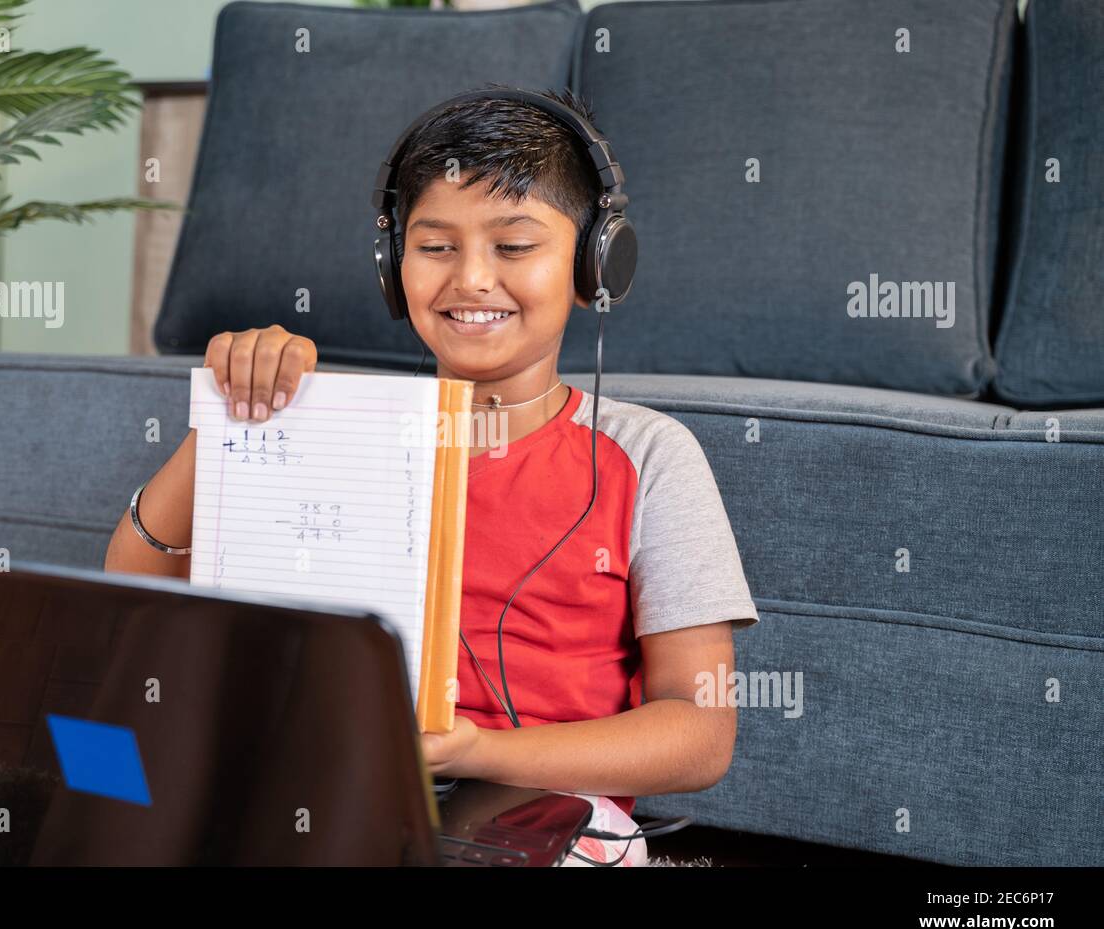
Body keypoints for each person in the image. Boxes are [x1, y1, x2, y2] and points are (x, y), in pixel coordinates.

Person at [105, 88, 759, 866]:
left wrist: (478, 750)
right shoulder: (333, 427)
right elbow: (134, 589)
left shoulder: (649, 456)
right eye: (436, 246)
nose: (471, 280)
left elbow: (700, 734)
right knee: (88, 788)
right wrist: (226, 417)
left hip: (541, 816)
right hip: (326, 787)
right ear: (393, 265)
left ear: (595, 265)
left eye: (514, 247)